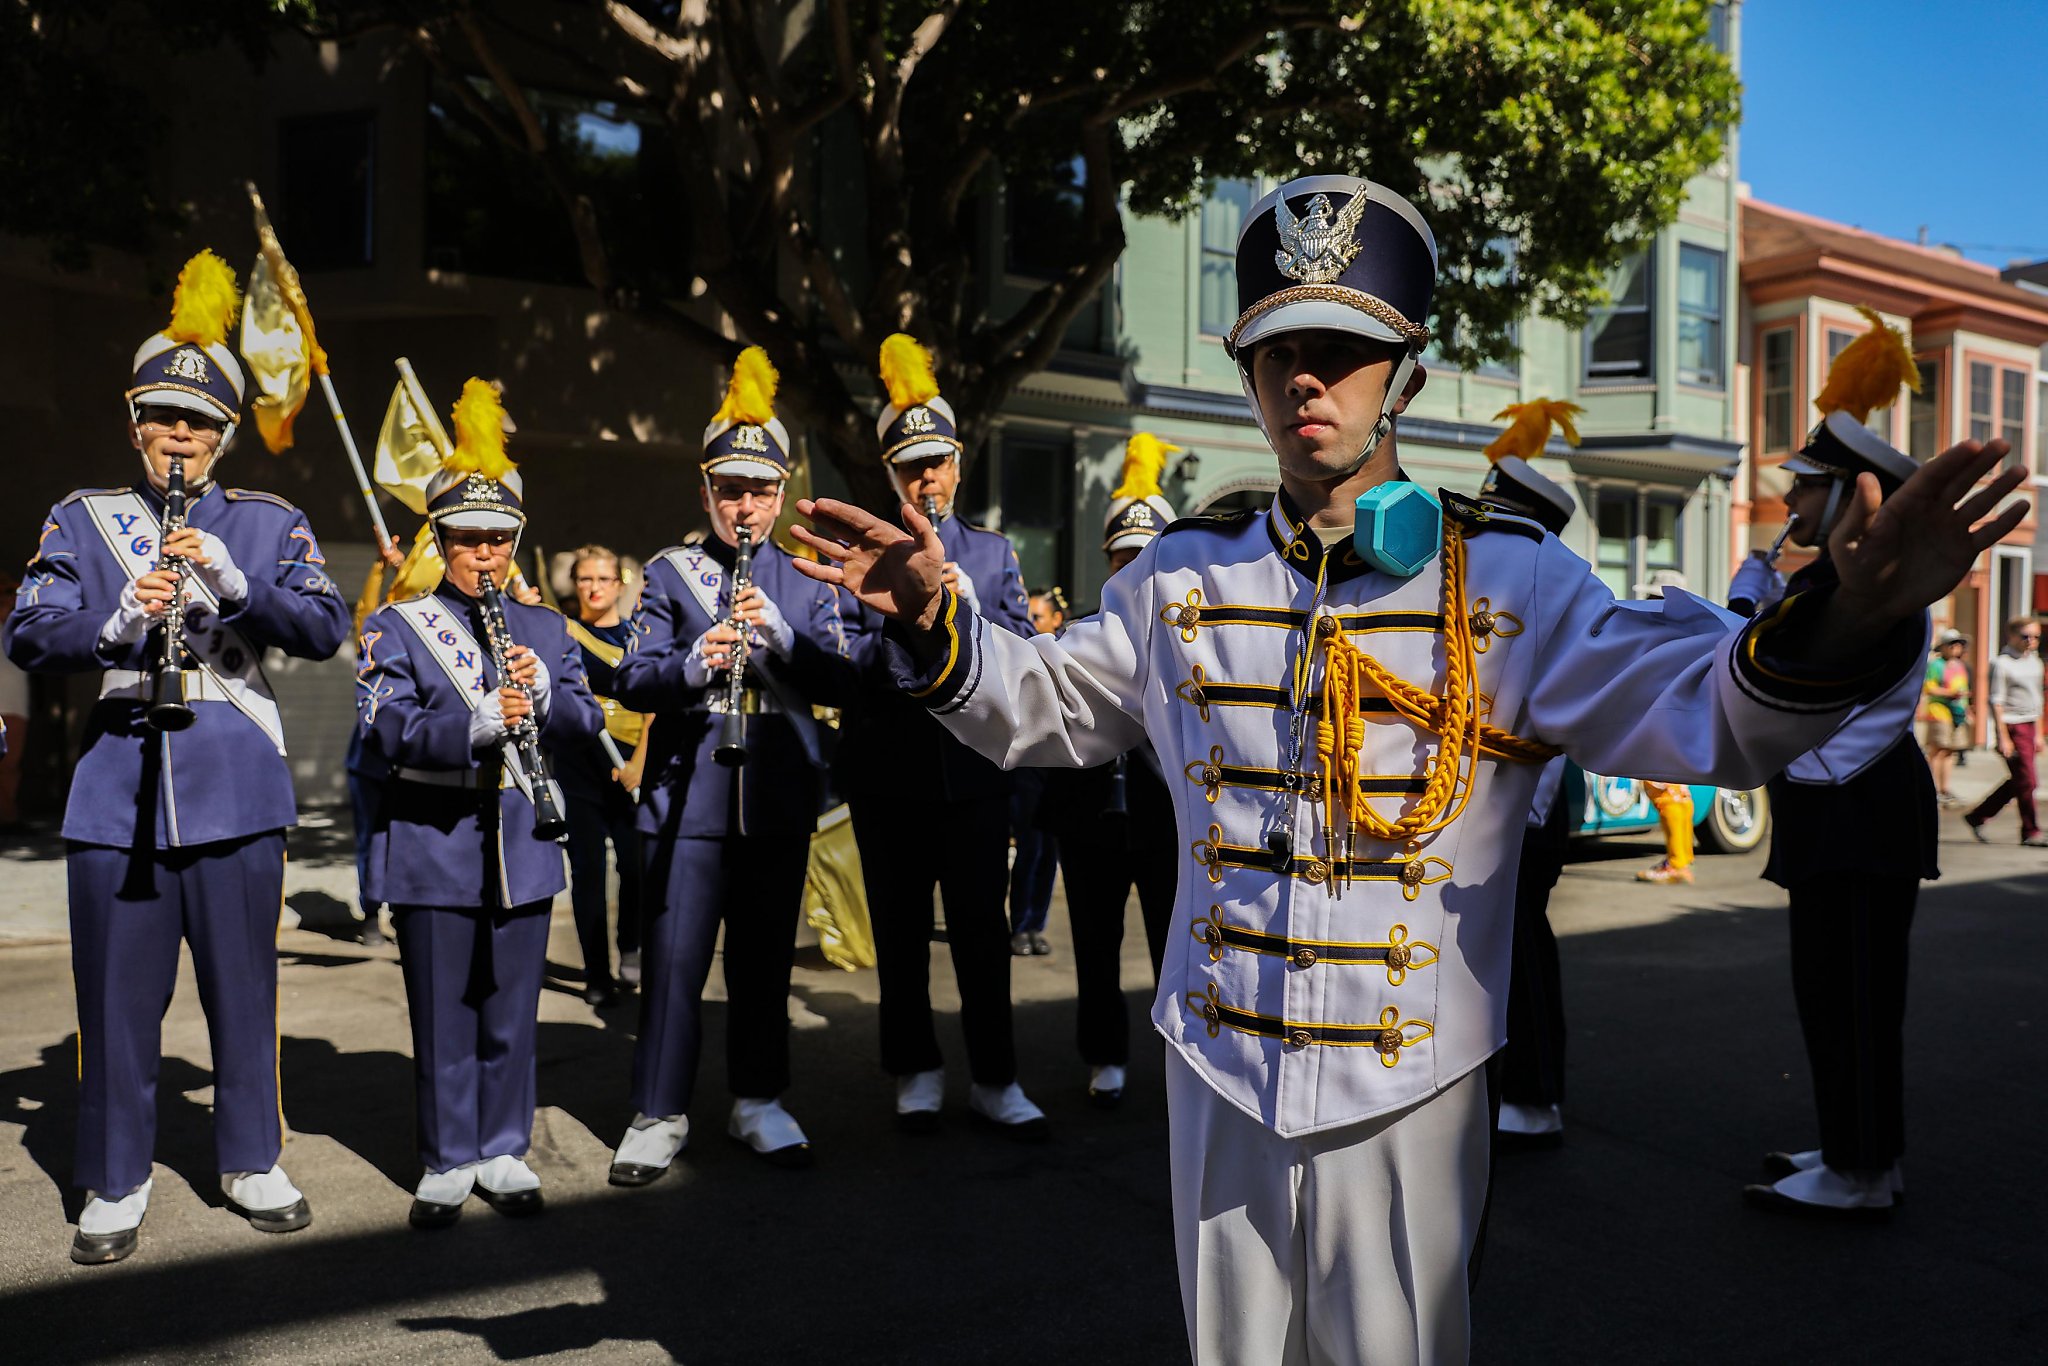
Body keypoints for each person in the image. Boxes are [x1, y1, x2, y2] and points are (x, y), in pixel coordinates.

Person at [793, 175, 2023, 1363]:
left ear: (1409, 375)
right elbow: (1047, 710)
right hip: (1217, 1069)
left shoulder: (1513, 581)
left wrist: (1849, 620)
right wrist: (930, 621)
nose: (1305, 379)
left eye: (1338, 347)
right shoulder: (1176, 572)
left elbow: (1702, 718)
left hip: (1407, 1082)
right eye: (1277, 353)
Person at [3, 251, 350, 1264]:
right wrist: (114, 621)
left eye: (200, 423)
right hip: (117, 787)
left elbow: (325, 627)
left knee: (244, 990)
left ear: (226, 434)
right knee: (113, 999)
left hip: (237, 784)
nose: (180, 438)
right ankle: (114, 1175)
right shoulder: (82, 514)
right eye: (163, 417)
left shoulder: (270, 521)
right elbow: (29, 632)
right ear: (136, 423)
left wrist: (239, 586)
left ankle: (249, 1158)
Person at [354, 379, 602, 1229]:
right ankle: (446, 1157)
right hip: (434, 839)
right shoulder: (398, 625)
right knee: (442, 1012)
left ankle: (503, 1148)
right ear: (442, 539)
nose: (485, 556)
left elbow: (587, 717)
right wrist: (476, 722)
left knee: (511, 1011)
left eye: (499, 540)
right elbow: (384, 727)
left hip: (522, 839)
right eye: (467, 540)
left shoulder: (546, 630)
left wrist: (543, 699)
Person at [604, 347, 855, 1181]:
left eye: (759, 490)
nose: (743, 506)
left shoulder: (804, 577)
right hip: (689, 797)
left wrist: (783, 638)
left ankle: (759, 1098)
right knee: (674, 961)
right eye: (728, 490)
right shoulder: (670, 575)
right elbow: (632, 675)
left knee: (762, 957)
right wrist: (691, 664)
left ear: (782, 495)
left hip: (775, 793)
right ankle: (658, 1109)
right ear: (703, 493)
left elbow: (847, 671)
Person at [1730, 309, 1940, 1218]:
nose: (1789, 503)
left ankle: (1858, 1174)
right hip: (1851, 811)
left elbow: (1770, 672)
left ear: (1854, 495)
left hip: (1857, 813)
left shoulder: (1854, 587)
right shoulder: (1830, 583)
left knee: (1847, 999)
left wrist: (1743, 609)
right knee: (1843, 998)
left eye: (1806, 489)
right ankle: (1864, 1154)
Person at [834, 334, 1048, 1139]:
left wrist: (966, 613)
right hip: (889, 774)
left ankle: (996, 1077)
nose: (926, 478)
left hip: (974, 778)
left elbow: (1027, 652)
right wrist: (916, 623)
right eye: (909, 466)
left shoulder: (991, 555)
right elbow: (846, 662)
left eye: (937, 462)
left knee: (982, 938)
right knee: (898, 934)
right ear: (889, 476)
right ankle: (915, 1068)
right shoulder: (866, 556)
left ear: (958, 463)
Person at [1042, 433, 1184, 1106]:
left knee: (1176, 946)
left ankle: (1186, 1059)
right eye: (1122, 556)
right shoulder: (1081, 631)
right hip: (1091, 816)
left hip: (1164, 820)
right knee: (1095, 948)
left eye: (1144, 556)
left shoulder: (1193, 642)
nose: (1131, 568)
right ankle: (1104, 1057)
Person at [1471, 415, 1582, 1148]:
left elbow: (1545, 724)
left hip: (1524, 812)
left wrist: (1520, 819)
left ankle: (1535, 1097)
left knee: (1522, 954)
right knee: (1507, 951)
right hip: (1501, 812)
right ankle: (1518, 1085)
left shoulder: (1546, 599)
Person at [556, 544, 648, 1006]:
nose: (594, 588)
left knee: (635, 866)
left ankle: (630, 947)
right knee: (587, 872)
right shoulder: (562, 635)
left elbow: (655, 702)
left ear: (620, 584)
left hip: (631, 764)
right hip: (579, 765)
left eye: (603, 579)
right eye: (585, 580)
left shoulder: (639, 636)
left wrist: (639, 764)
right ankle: (596, 972)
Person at [1008, 586, 1068, 958]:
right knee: (1029, 848)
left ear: (1057, 620)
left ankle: (1036, 925)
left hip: (1057, 770)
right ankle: (1019, 925)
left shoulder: (1069, 650)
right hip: (1028, 766)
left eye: (1038, 617)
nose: (1031, 625)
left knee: (1050, 852)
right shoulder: (1021, 652)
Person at [1964, 617, 2047, 846]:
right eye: (2025, 636)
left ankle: (1977, 816)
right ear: (2011, 636)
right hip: (2012, 724)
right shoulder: (2002, 663)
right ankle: (2031, 831)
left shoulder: (2035, 662)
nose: (2030, 641)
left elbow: (2037, 700)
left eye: (2036, 637)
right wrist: (2002, 737)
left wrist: (2039, 734)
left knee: (2023, 781)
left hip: (2030, 724)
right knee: (2028, 781)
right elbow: (1996, 700)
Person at [1920, 627, 1970, 805]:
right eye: (1952, 644)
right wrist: (1950, 693)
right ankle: (1931, 788)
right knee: (1937, 751)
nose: (1956, 647)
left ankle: (1944, 788)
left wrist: (1967, 709)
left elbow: (1963, 690)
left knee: (1950, 752)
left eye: (1959, 644)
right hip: (1939, 712)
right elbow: (1929, 688)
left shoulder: (1959, 666)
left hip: (1956, 714)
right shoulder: (1936, 664)